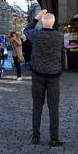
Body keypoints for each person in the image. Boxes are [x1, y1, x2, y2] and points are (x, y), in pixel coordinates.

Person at [25, 9, 65, 146]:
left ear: (42, 23)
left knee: (37, 106)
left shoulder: (36, 35)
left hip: (38, 75)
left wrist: (36, 18)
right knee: (54, 107)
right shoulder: (59, 36)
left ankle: (35, 136)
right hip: (54, 75)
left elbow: (26, 30)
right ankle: (54, 138)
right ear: (53, 23)